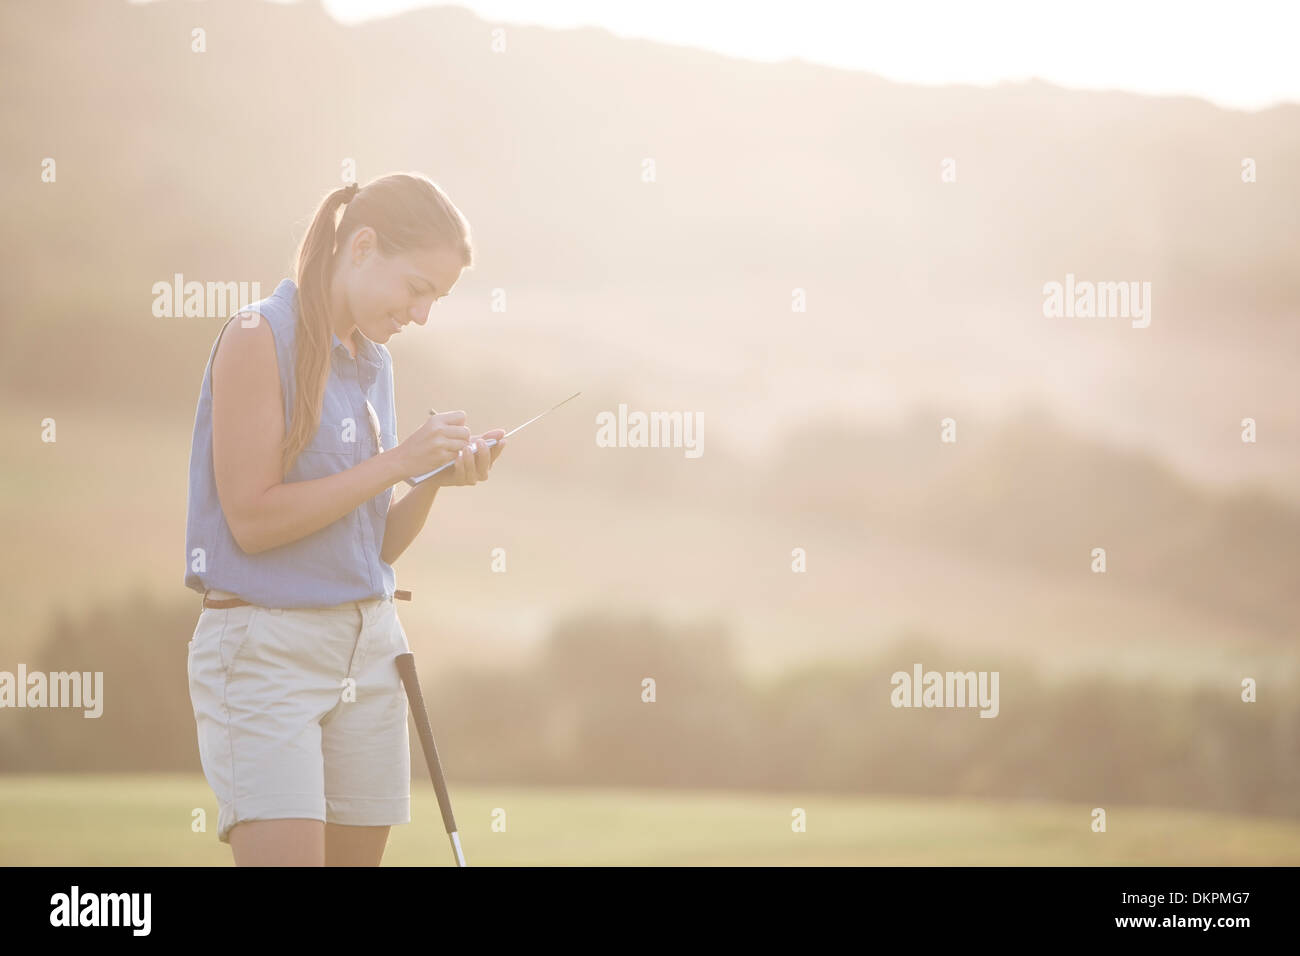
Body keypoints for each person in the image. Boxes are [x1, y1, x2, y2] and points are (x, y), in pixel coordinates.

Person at [182, 172, 504, 865]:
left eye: (436, 299)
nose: (422, 314)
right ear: (362, 247)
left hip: (369, 647)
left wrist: (433, 480)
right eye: (417, 288)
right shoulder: (255, 336)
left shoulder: (373, 363)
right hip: (265, 653)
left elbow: (373, 544)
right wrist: (398, 463)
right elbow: (253, 523)